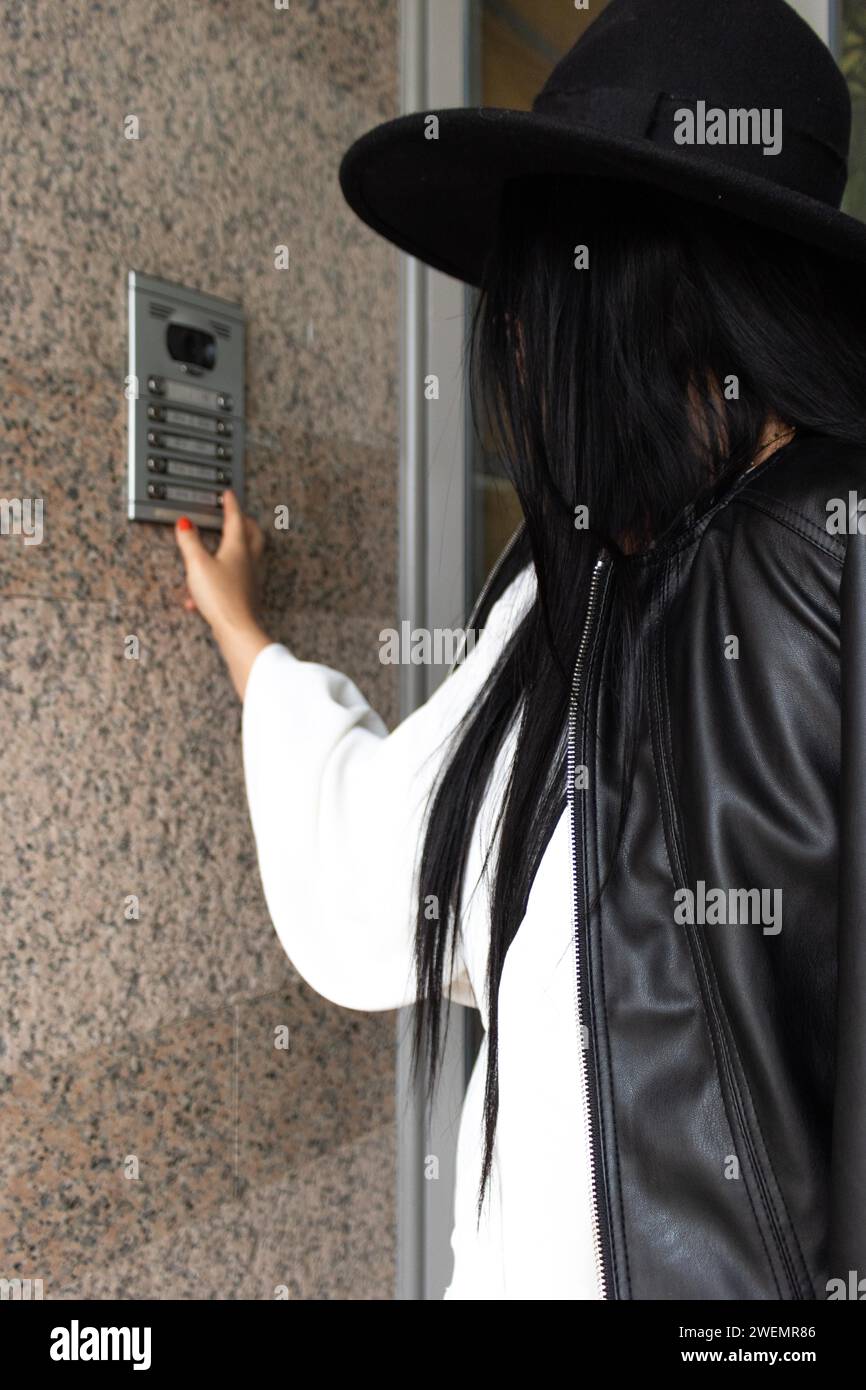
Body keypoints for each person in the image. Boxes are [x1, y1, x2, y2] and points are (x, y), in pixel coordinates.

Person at [175, 0, 866, 1298]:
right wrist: (248, 640)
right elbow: (389, 873)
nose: (514, 338)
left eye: (536, 286)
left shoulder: (799, 555)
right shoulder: (578, 585)